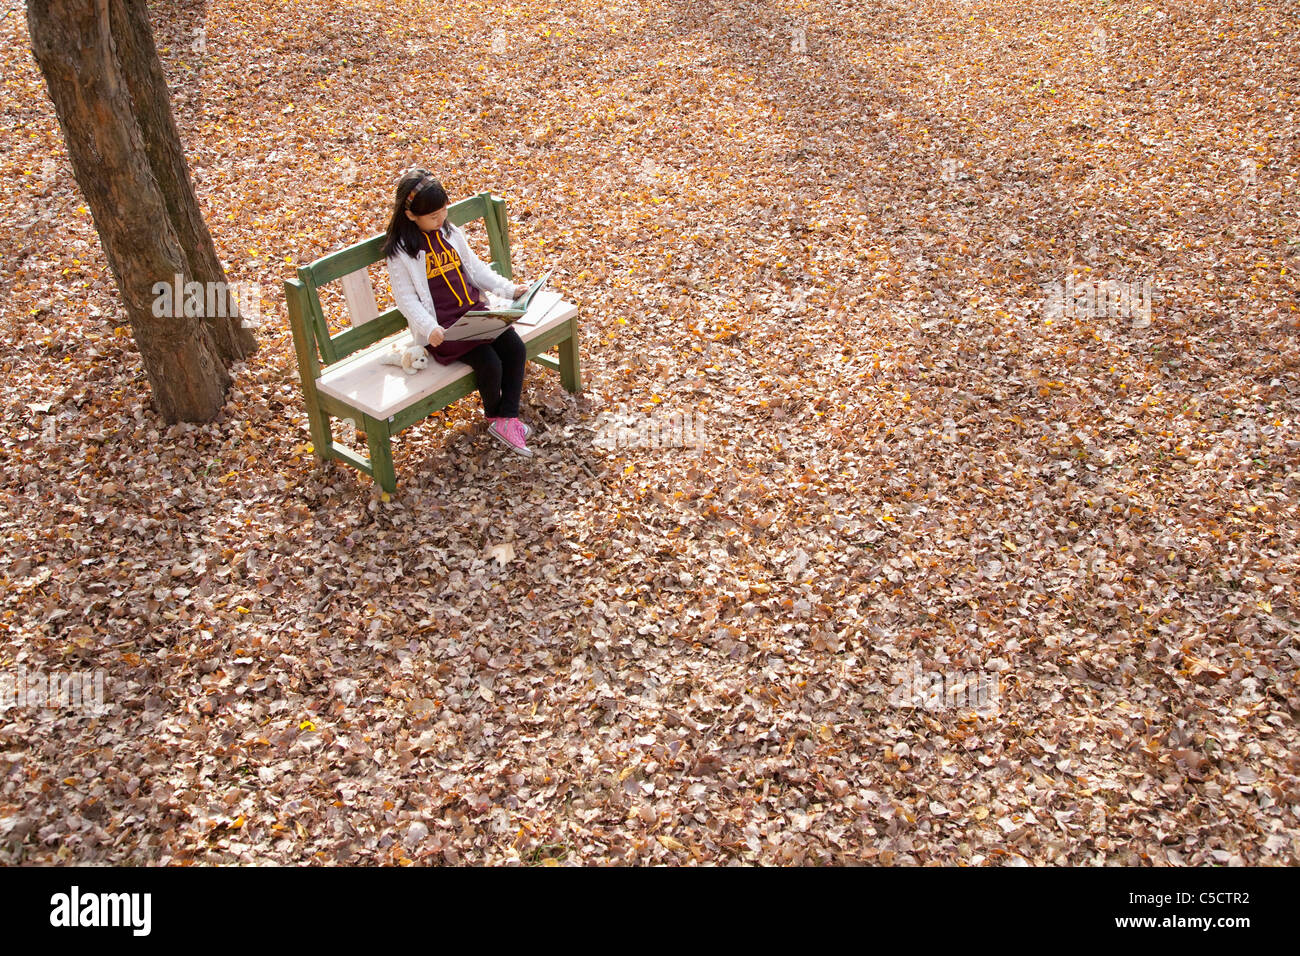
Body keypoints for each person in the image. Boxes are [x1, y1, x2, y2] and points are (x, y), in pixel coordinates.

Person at [383, 168, 534, 456]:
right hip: (446, 329)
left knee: (514, 347)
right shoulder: (401, 252)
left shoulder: (450, 232)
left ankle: (508, 419)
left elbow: (475, 269)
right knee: (490, 363)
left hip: (474, 314)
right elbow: (406, 299)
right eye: (433, 216)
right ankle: (496, 418)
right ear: (411, 215)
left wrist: (509, 289)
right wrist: (429, 328)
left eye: (443, 212)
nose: (441, 220)